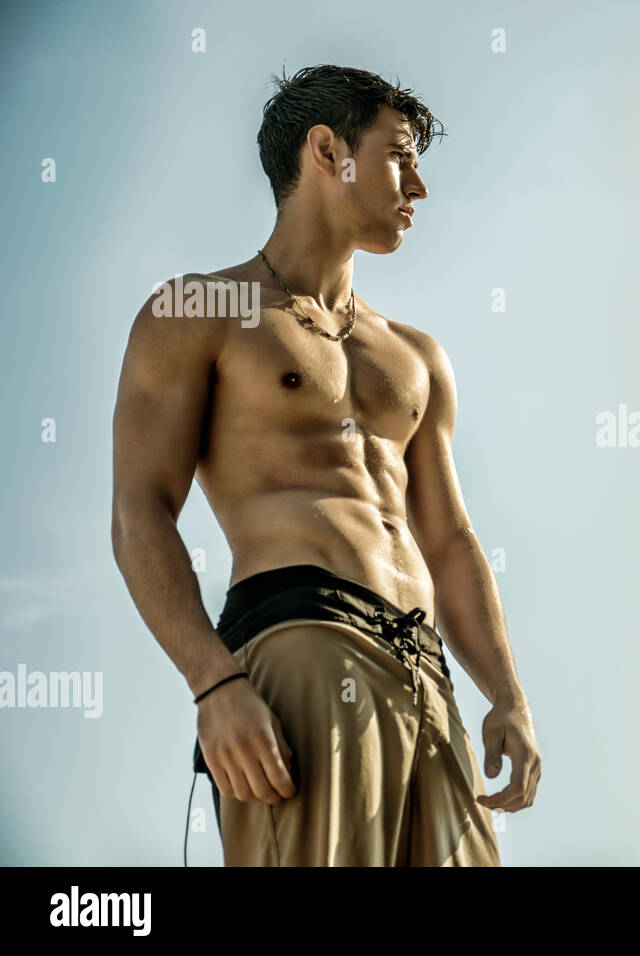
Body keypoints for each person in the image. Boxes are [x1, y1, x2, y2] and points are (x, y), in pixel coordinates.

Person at [110, 64, 540, 866]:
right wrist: (214, 682)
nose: (418, 186)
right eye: (399, 156)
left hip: (427, 675)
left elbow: (449, 539)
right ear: (326, 150)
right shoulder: (200, 311)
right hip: (303, 638)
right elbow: (141, 510)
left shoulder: (415, 356)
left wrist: (507, 695)